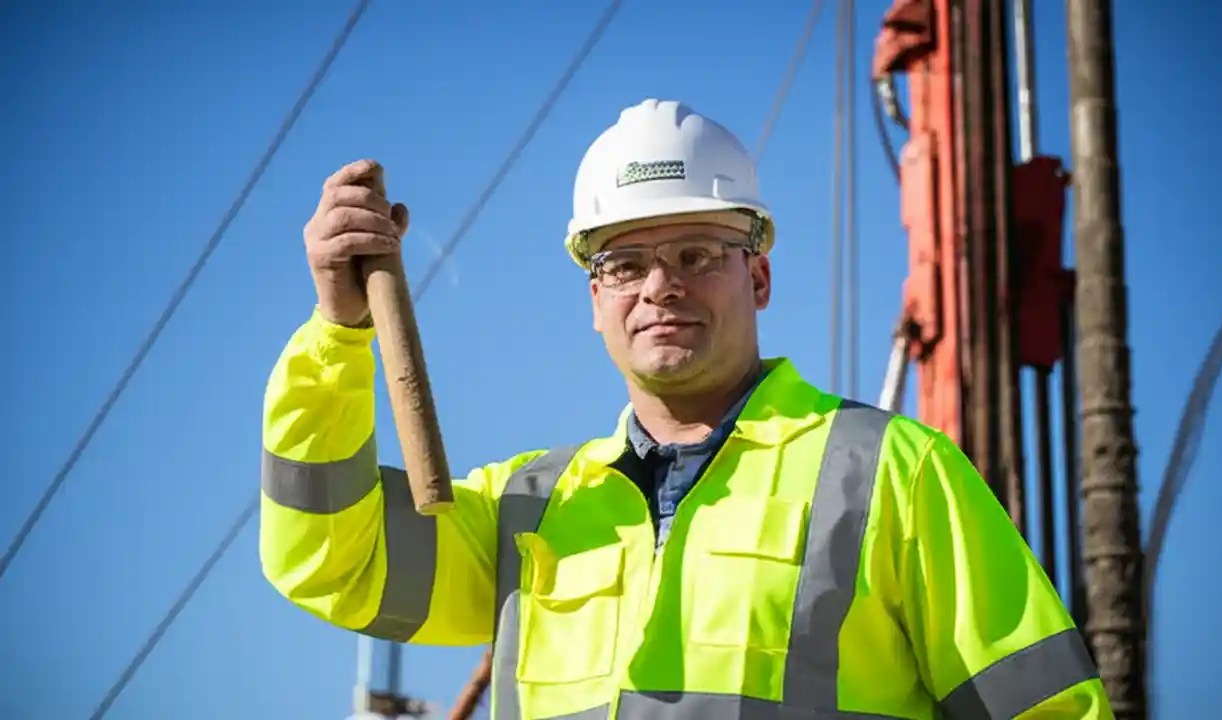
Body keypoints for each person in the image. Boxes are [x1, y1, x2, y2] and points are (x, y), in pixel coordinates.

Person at [259, 98, 1113, 719]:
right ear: (595, 302)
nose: (660, 286)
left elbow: (1044, 712)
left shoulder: (891, 473)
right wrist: (338, 336)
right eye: (625, 263)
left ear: (761, 277)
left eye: (696, 252)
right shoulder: (530, 510)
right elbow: (334, 563)